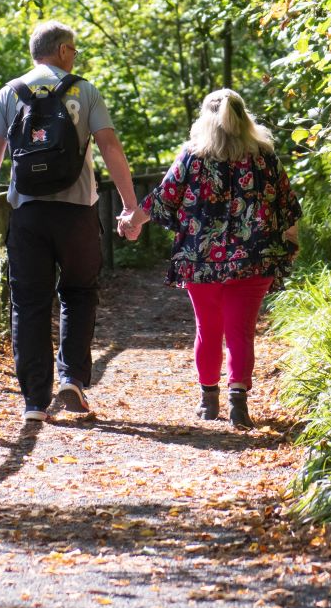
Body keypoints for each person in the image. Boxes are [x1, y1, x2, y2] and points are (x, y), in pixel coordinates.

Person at [0, 21, 143, 430]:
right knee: (79, 293)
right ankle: (72, 378)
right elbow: (110, 148)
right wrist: (130, 205)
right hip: (77, 212)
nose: (76, 56)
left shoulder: (10, 93)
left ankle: (33, 400)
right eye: (74, 50)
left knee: (28, 303)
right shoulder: (85, 91)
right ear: (62, 50)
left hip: (27, 215)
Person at [119, 88, 301, 429]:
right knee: (241, 331)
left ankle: (208, 401)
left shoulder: (192, 156)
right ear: (244, 117)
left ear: (205, 118)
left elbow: (163, 197)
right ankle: (238, 402)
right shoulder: (264, 156)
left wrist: (132, 222)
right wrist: (291, 241)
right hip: (254, 258)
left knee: (208, 328)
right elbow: (286, 203)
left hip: (200, 260)